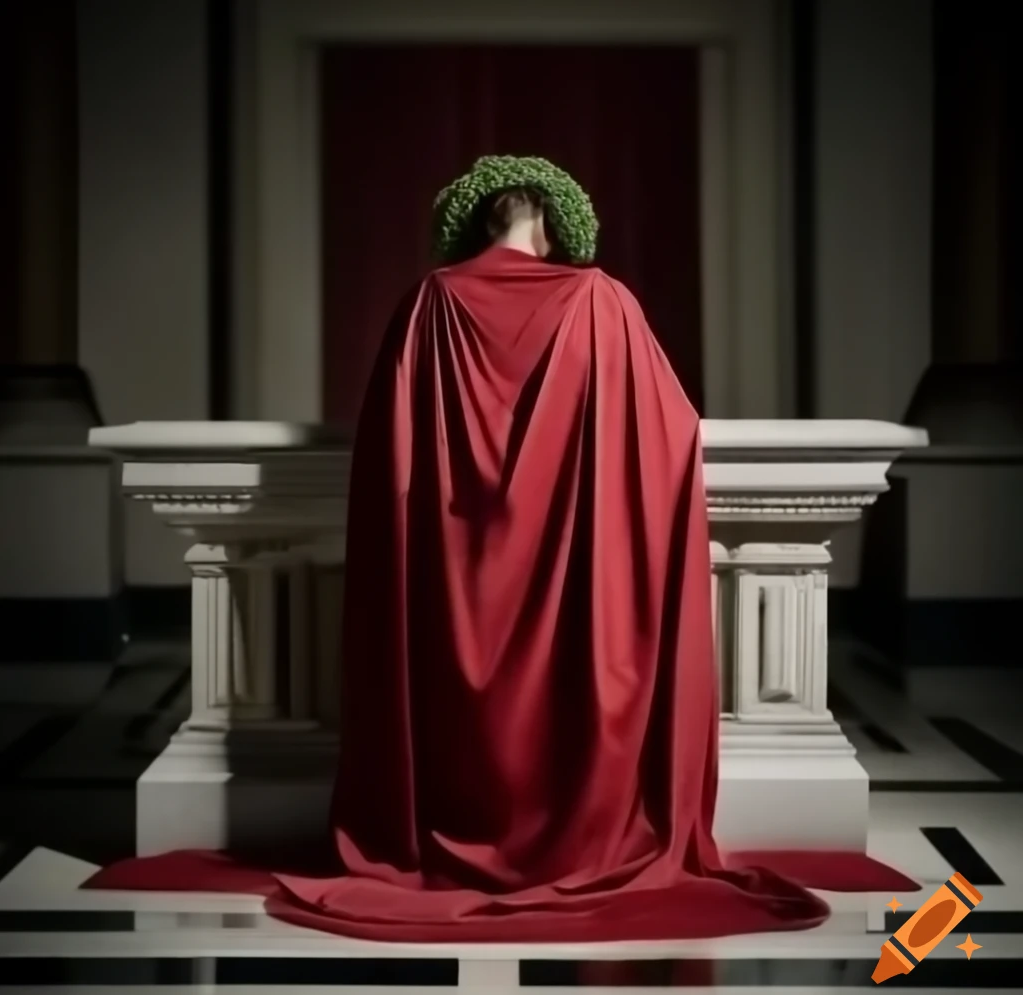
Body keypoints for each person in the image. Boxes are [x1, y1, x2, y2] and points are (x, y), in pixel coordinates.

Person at [87, 156, 916, 941]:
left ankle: (459, 833)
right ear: (551, 225)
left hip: (454, 575)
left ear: (474, 224)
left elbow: (392, 453)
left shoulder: (431, 300)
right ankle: (579, 834)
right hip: (576, 569)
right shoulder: (601, 300)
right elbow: (668, 429)